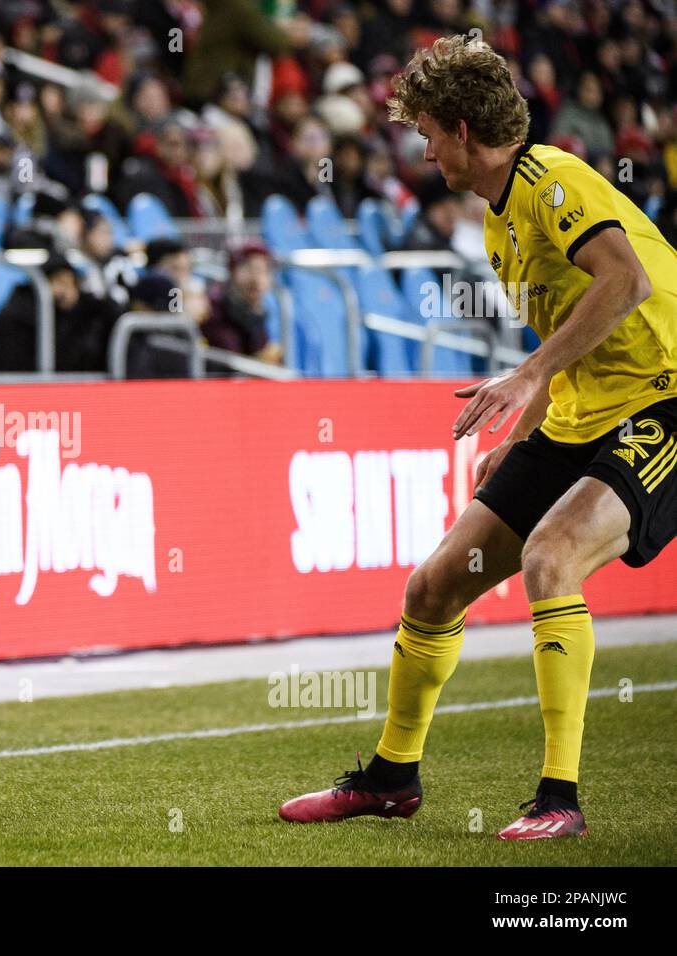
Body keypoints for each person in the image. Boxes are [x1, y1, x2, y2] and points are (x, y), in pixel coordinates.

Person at [279, 35, 677, 840]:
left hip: (665, 398)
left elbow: (626, 283)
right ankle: (391, 780)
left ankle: (559, 798)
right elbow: (574, 329)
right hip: (581, 410)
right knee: (432, 587)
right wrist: (527, 426)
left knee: (550, 558)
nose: (422, 149)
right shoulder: (499, 218)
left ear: (463, 129)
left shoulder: (554, 181)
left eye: (426, 132)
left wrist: (527, 378)